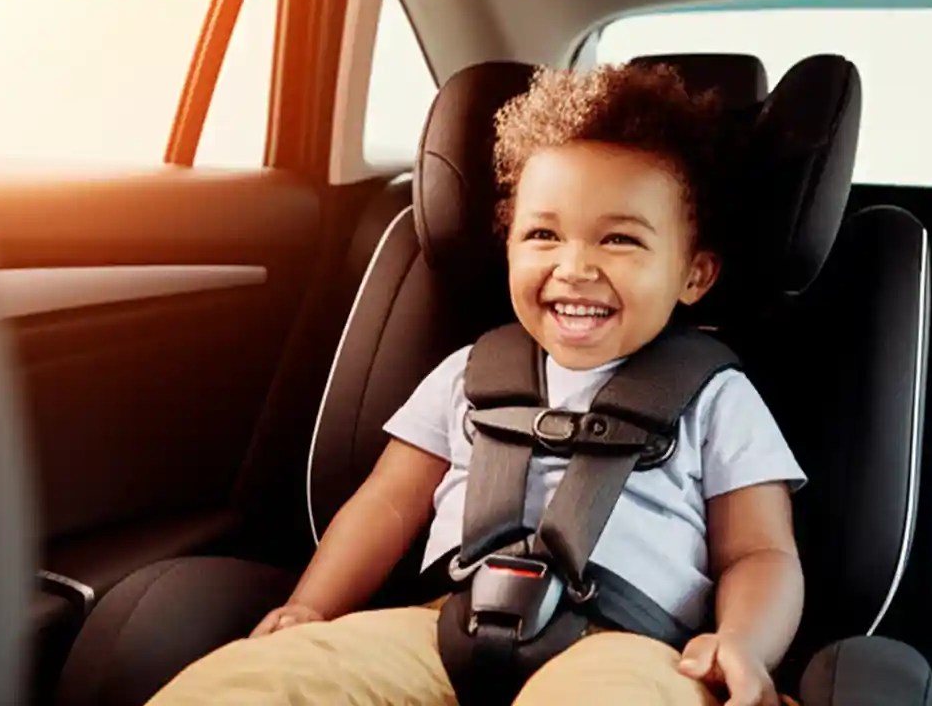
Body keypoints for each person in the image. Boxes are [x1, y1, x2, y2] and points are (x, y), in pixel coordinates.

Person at [147, 63, 806, 706]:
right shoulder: (470, 373)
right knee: (251, 682)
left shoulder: (716, 397)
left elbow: (758, 550)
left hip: (629, 648)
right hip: (442, 626)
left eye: (620, 241)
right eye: (544, 234)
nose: (573, 266)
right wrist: (312, 606)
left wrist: (741, 642)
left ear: (695, 274)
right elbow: (387, 504)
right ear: (510, 245)